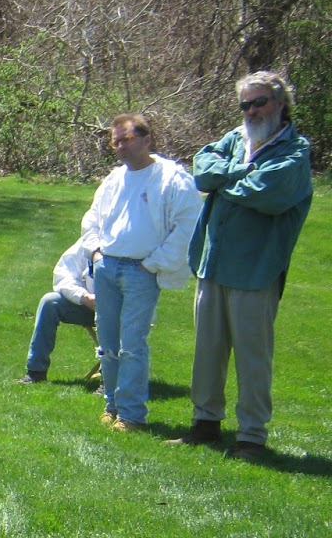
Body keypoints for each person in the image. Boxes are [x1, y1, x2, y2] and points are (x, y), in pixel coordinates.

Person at [167, 70, 313, 460]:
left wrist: (224, 182)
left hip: (256, 270)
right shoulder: (234, 139)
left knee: (252, 357)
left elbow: (267, 193)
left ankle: (251, 437)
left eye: (259, 102)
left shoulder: (295, 151)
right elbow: (202, 171)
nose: (251, 111)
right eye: (245, 104)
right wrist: (238, 171)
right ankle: (205, 425)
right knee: (207, 352)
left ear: (280, 103)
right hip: (213, 263)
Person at [72, 114, 201, 432]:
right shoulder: (114, 179)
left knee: (132, 344)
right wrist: (96, 251)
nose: (120, 147)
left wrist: (153, 263)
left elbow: (188, 225)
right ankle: (112, 405)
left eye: (126, 139)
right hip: (107, 267)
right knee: (108, 343)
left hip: (141, 271)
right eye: (115, 142)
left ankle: (131, 415)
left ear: (146, 139)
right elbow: (91, 219)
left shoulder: (171, 178)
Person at [18, 230, 101, 385]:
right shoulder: (89, 242)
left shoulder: (131, 243)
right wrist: (84, 297)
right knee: (50, 302)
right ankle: (36, 372)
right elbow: (64, 274)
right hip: (88, 306)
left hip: (120, 311)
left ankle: (109, 379)